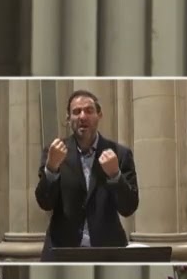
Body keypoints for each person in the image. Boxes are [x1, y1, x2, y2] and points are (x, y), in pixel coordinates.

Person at [34, 90, 139, 260]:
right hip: (63, 251)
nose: (83, 116)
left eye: (89, 110)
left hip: (107, 252)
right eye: (76, 112)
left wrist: (115, 176)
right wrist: (51, 168)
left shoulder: (120, 154)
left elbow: (129, 207)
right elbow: (45, 203)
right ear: (69, 119)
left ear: (99, 115)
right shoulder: (54, 152)